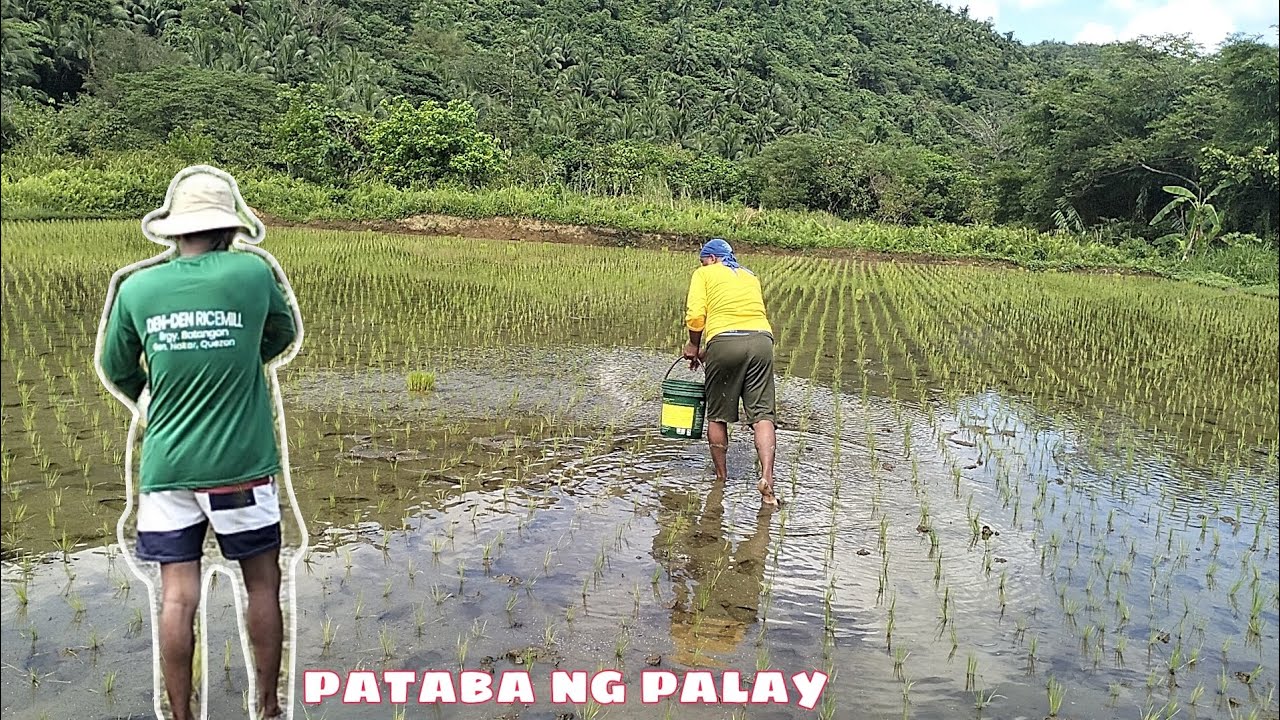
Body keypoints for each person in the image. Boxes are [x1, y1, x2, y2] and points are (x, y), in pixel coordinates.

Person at [96, 166, 300, 720]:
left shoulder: (136, 287)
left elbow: (116, 367)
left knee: (177, 595)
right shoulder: (253, 274)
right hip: (240, 470)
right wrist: (233, 361)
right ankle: (267, 706)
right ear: (228, 228)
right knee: (262, 583)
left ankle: (181, 715)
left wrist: (156, 395)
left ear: (175, 230)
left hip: (167, 468)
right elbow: (283, 334)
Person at [682, 238, 780, 506]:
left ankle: (721, 478)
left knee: (717, 415)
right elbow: (743, 324)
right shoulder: (750, 276)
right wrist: (707, 352)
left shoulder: (704, 274)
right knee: (762, 415)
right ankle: (767, 479)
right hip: (761, 341)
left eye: (704, 261)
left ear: (712, 259)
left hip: (724, 342)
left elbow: (696, 316)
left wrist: (694, 345)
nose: (702, 265)